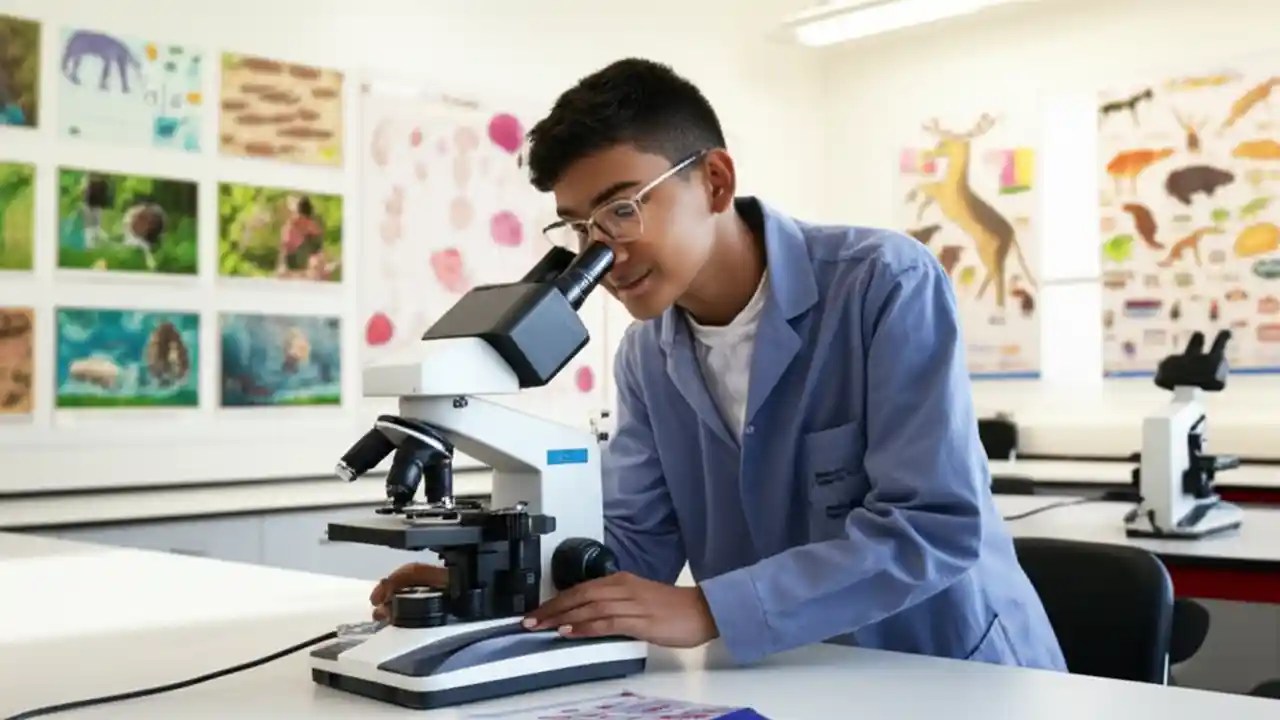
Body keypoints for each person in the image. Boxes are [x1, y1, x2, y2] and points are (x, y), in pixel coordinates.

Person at [369, 57, 1067, 671]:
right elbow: (635, 543)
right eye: (580, 228)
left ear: (715, 181)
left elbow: (932, 526)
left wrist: (708, 609)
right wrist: (488, 588)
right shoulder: (647, 355)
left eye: (621, 210)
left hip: (949, 672)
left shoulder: (883, 284)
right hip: (791, 675)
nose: (602, 255)